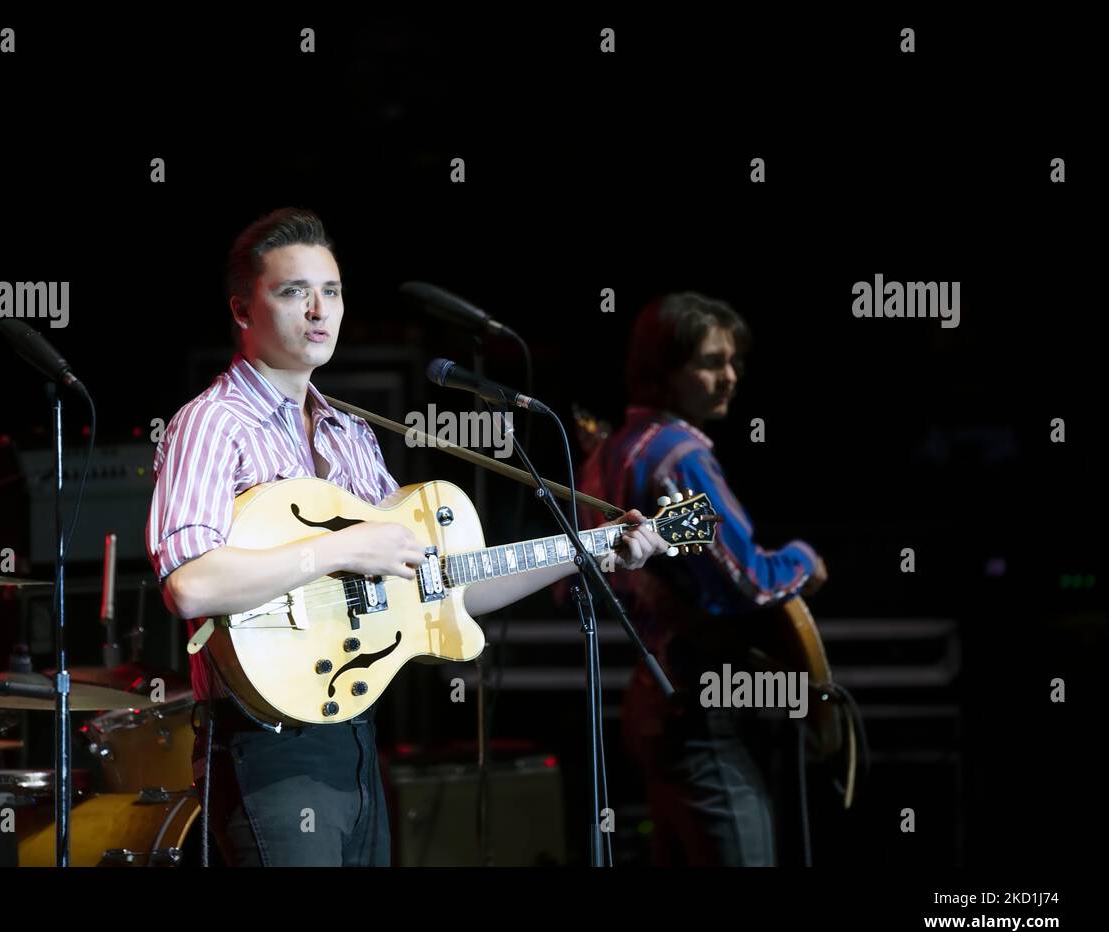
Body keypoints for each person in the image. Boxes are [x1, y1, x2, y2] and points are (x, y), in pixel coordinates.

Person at [145, 208, 666, 865]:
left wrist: (589, 549)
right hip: (266, 748)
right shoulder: (211, 425)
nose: (317, 310)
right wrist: (340, 549)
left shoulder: (350, 434)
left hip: (357, 744)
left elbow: (444, 586)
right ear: (242, 310)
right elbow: (190, 585)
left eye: (330, 291)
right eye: (291, 291)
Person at [576, 292, 828, 866]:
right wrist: (804, 559)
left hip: (650, 700)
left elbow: (572, 587)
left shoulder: (610, 452)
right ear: (663, 373)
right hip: (699, 705)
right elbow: (751, 580)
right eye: (712, 363)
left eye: (734, 362)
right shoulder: (680, 457)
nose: (730, 377)